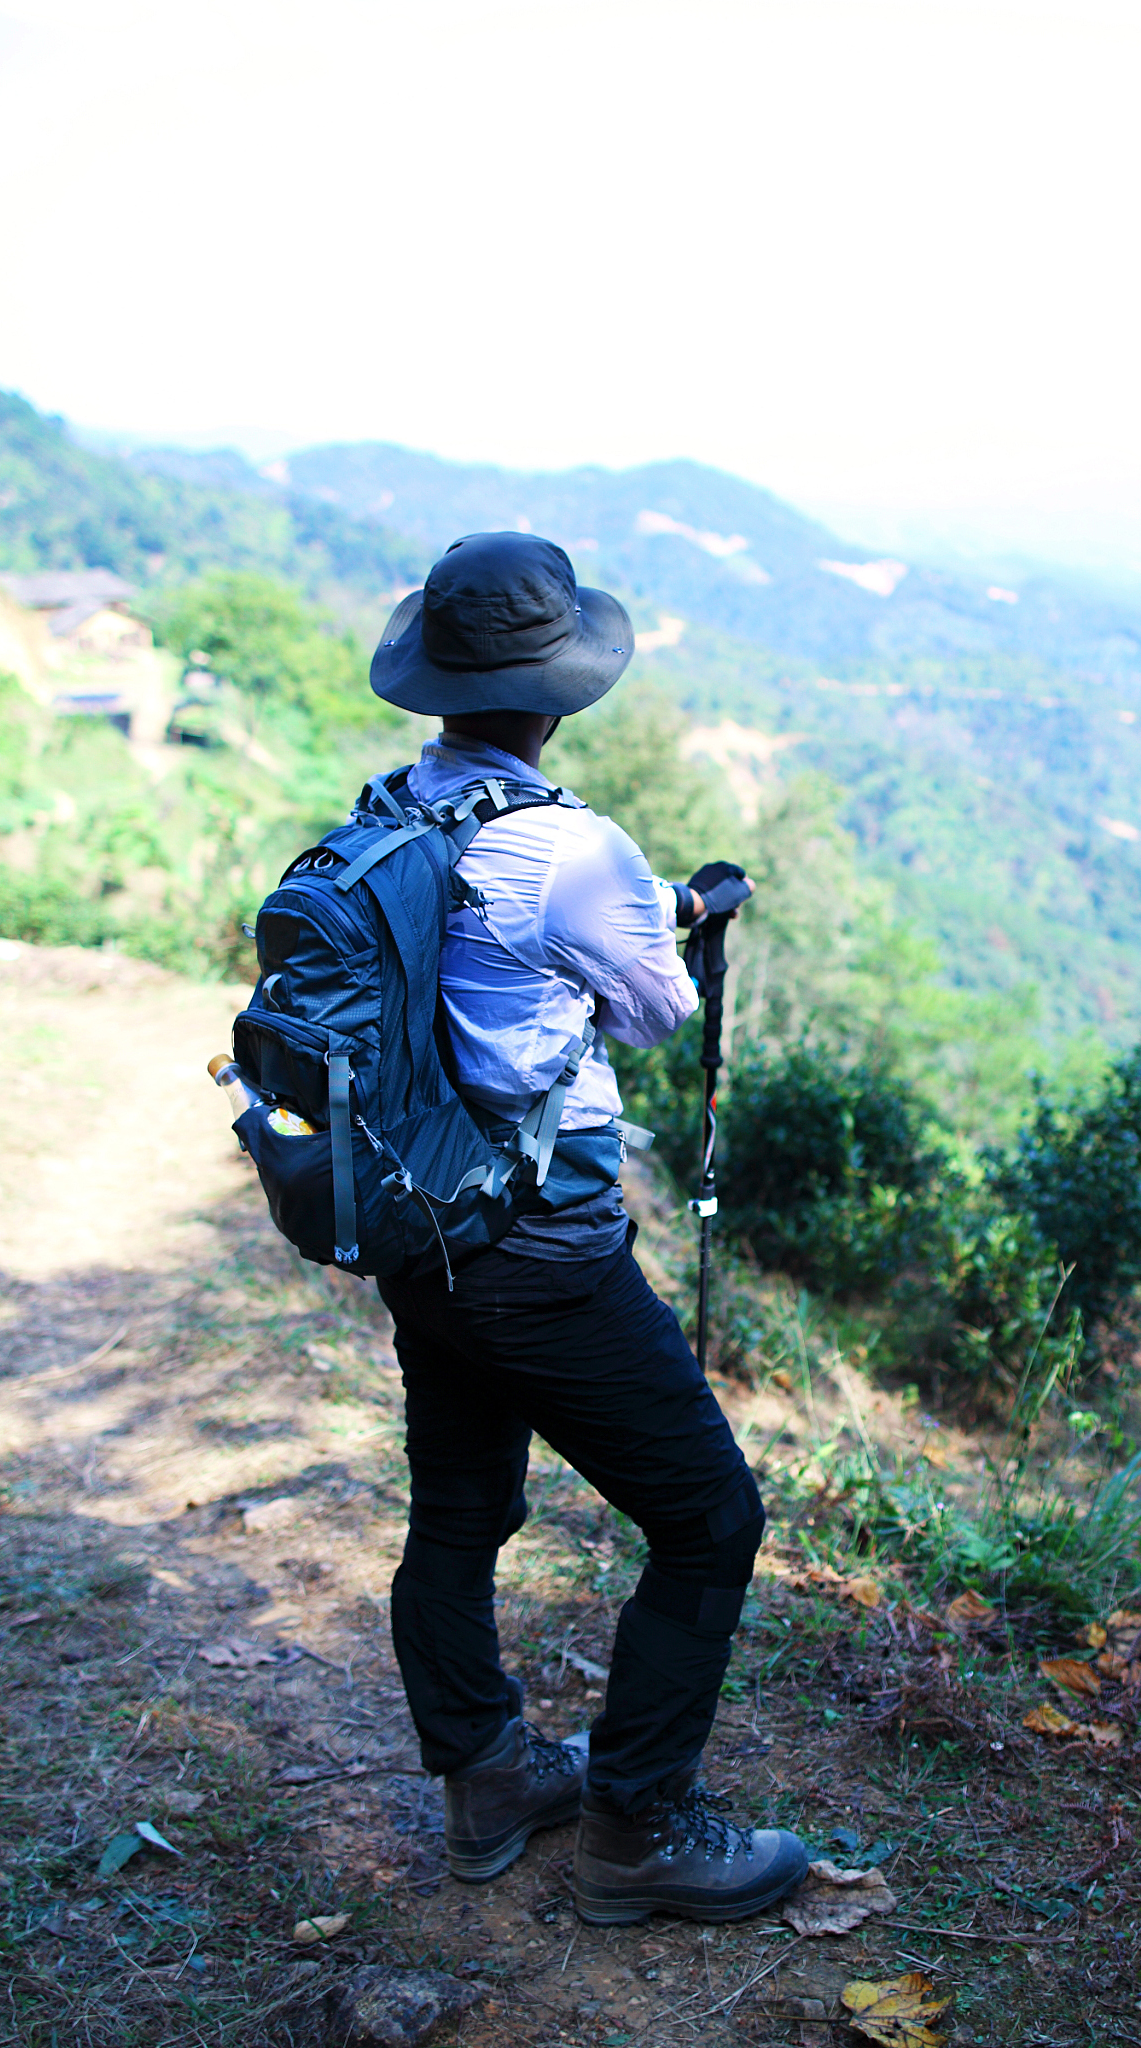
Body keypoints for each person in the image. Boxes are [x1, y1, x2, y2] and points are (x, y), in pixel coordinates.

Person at [364, 531, 809, 1925]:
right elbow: (650, 1011)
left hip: (422, 1233)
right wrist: (677, 918)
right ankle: (639, 1831)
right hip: (543, 1252)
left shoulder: (390, 811)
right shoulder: (574, 845)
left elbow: (493, 960)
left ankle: (490, 1780)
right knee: (710, 1520)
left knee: (458, 1515)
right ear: (558, 694)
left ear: (438, 685)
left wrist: (649, 913)